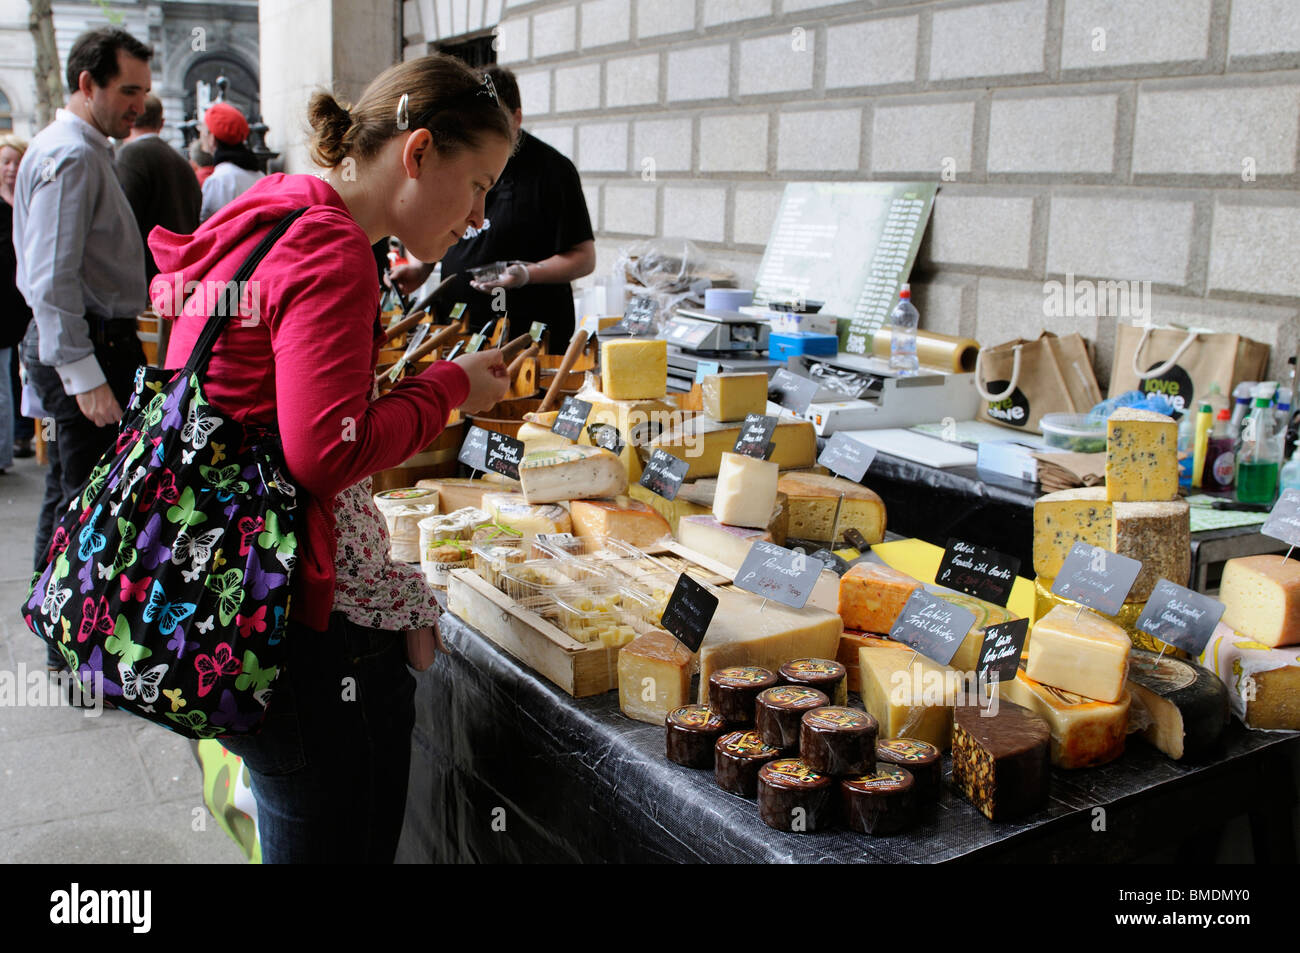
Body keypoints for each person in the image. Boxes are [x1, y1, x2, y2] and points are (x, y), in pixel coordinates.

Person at [151, 52, 514, 863]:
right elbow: (325, 454)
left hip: (227, 591)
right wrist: (448, 387)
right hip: (297, 626)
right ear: (417, 153)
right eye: (481, 183)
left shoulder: (279, 206)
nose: (481, 216)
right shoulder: (335, 250)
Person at [13, 27, 152, 671]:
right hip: (90, 346)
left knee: (75, 494)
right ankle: (68, 653)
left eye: (144, 92)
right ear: (87, 83)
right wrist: (84, 374)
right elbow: (49, 278)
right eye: (127, 90)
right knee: (82, 499)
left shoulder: (78, 148)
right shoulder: (70, 154)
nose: (137, 104)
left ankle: (66, 644)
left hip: (97, 342)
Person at [388, 65, 595, 353]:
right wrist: (419, 268)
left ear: (516, 119)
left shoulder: (553, 171)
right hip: (455, 325)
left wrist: (527, 274)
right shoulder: (460, 160)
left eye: (495, 122)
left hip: (528, 336)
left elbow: (584, 258)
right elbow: (443, 225)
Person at [116, 93, 201, 367]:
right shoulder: (181, 163)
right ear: (161, 123)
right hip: (179, 284)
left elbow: (122, 226)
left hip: (143, 289)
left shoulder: (129, 157)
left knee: (147, 371)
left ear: (129, 118)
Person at [0, 134, 33, 466]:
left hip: (26, 302)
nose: (11, 169)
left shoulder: (28, 202)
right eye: (5, 162)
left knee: (25, 372)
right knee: (8, 372)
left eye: (16, 162)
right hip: (5, 303)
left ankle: (24, 432)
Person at [197, 102, 263, 223]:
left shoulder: (218, 180)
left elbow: (208, 225)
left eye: (203, 130)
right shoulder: (259, 175)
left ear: (212, 138)